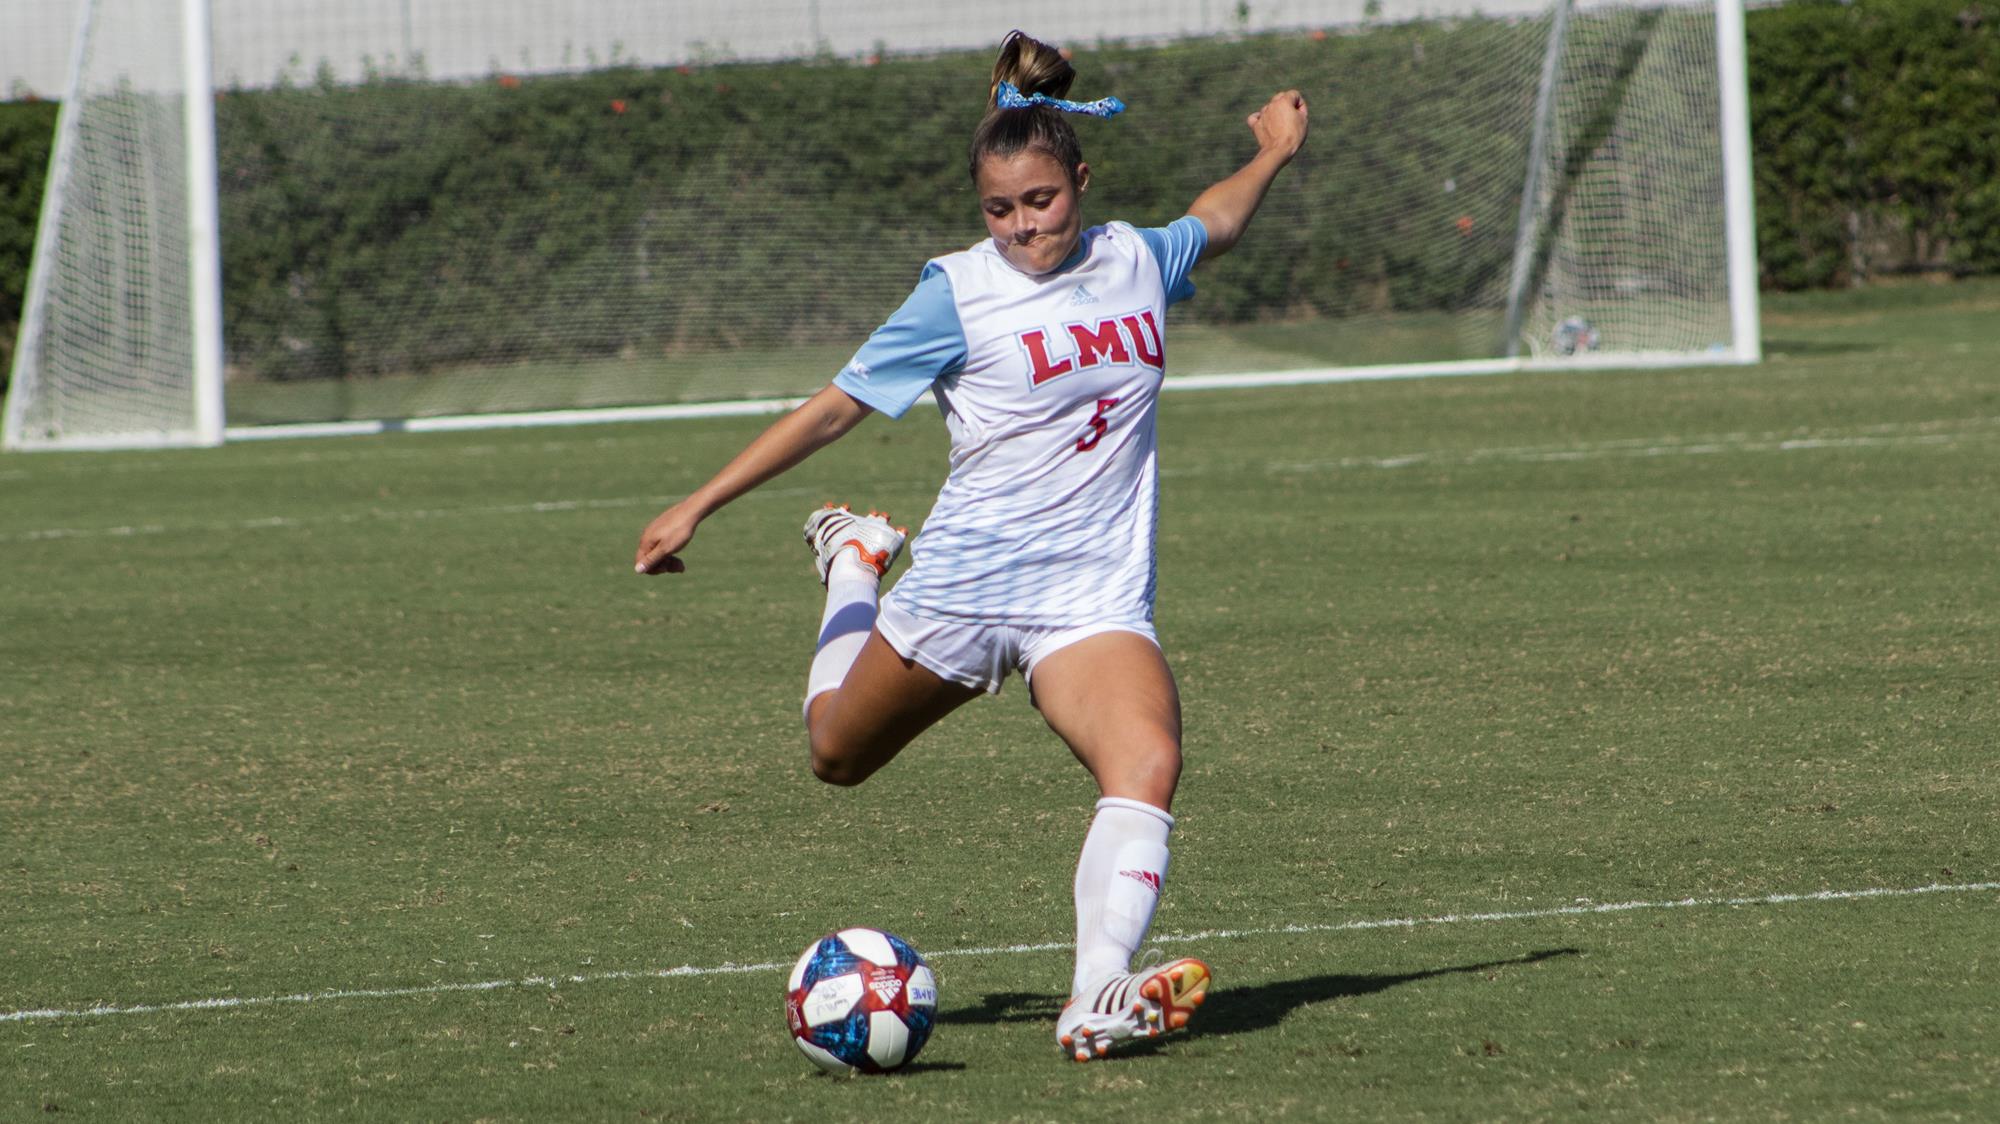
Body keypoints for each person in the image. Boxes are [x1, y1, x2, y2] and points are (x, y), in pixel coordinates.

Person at [635, 30, 1308, 1062]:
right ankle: (855, 563)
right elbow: (832, 411)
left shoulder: (1134, 258)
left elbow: (1209, 223)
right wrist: (700, 501)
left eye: (1039, 201)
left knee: (1147, 757)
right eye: (998, 209)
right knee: (834, 754)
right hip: (960, 588)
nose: (1022, 226)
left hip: (1088, 596)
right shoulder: (956, 292)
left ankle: (1095, 995)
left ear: (1078, 179)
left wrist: (1268, 158)